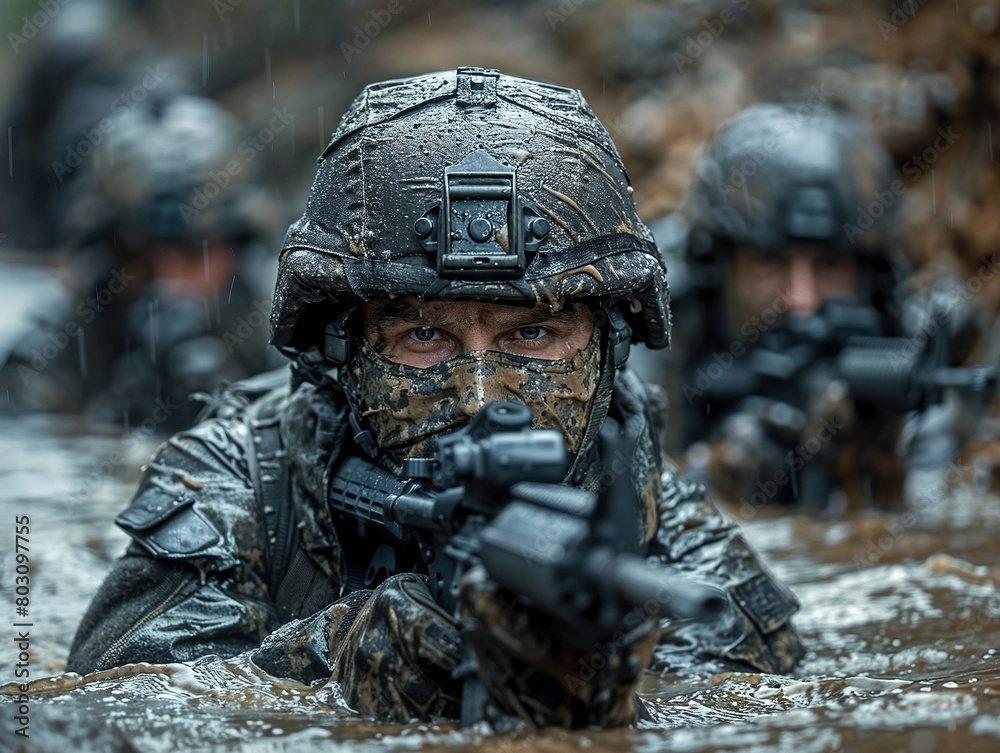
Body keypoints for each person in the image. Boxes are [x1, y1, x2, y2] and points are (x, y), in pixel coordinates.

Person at [66, 68, 803, 728]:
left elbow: (770, 714)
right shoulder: (237, 480)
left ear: (607, 350)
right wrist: (339, 660)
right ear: (343, 354)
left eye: (534, 334)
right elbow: (108, 710)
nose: (483, 399)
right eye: (424, 336)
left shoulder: (648, 516)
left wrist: (600, 692)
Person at [637, 103, 979, 513]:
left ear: (870, 276)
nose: (802, 299)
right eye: (769, 261)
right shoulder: (659, 313)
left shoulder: (902, 343)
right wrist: (710, 480)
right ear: (719, 267)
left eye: (830, 265)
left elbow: (934, 517)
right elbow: (616, 497)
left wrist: (876, 466)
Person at [0, 89, 279, 432]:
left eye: (195, 253)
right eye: (140, 257)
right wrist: (111, 426)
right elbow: (21, 433)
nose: (168, 280)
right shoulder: (73, 327)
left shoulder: (278, 320)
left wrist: (227, 411)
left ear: (237, 247)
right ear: (107, 254)